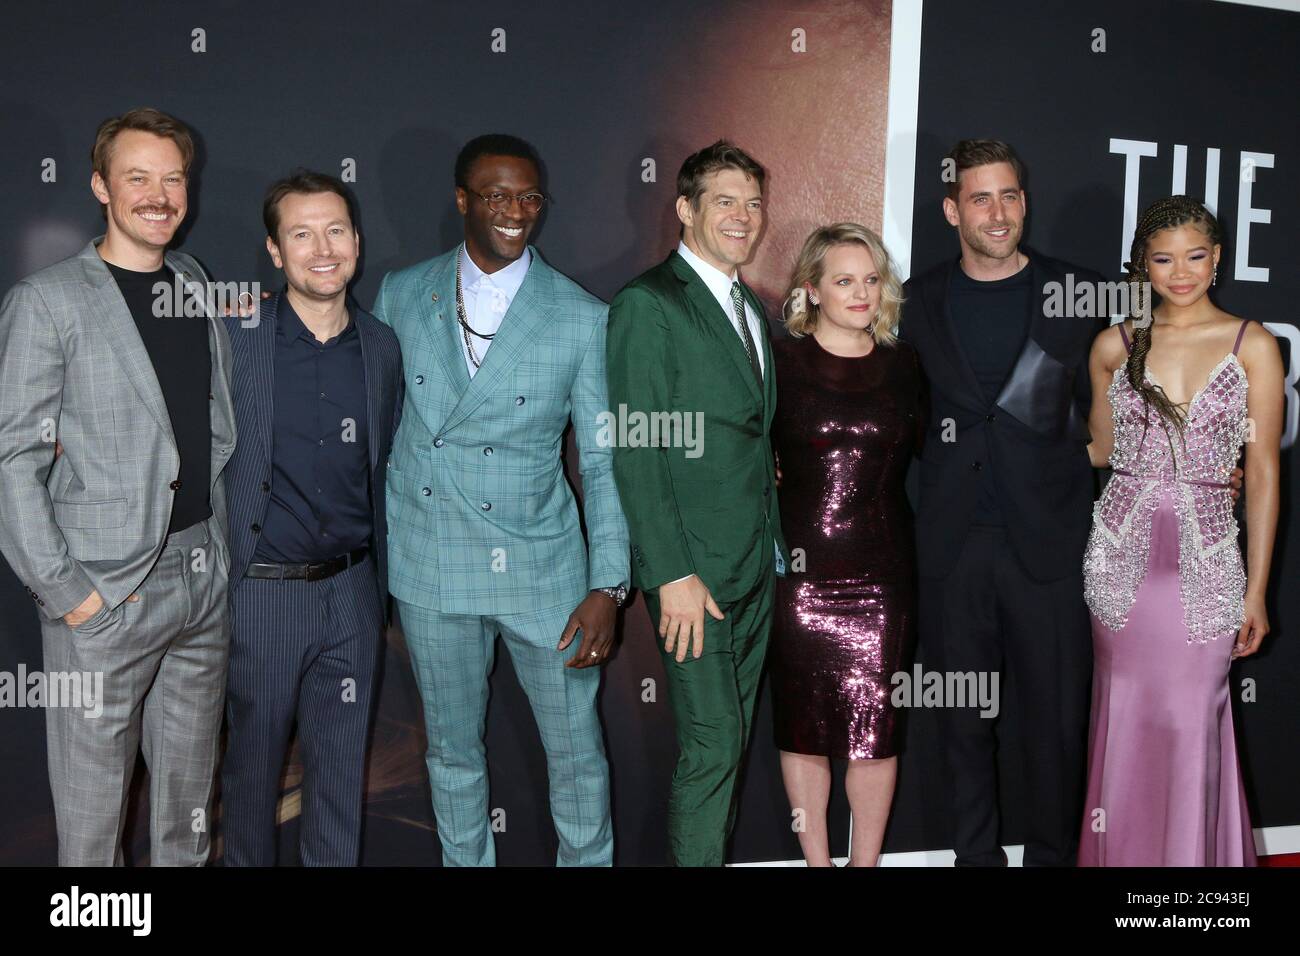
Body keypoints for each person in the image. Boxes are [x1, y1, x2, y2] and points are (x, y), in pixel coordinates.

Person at [373, 134, 629, 866]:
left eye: (528, 197)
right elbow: (378, 433)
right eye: (496, 195)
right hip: (432, 567)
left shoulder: (582, 316)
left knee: (577, 757)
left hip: (545, 575)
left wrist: (608, 584)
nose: (515, 211)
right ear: (462, 200)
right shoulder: (401, 292)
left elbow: (605, 462)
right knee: (452, 755)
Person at [0, 108, 235, 865]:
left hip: (202, 580)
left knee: (186, 819)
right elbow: (10, 462)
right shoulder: (48, 301)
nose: (160, 195)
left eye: (173, 179)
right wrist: (69, 594)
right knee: (94, 835)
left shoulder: (193, 281)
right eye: (138, 177)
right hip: (105, 595)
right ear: (101, 186)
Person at [898, 139, 1106, 866]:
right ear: (954, 209)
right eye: (981, 198)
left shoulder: (1080, 294)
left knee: (1055, 728)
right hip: (952, 550)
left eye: (1010, 195)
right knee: (961, 723)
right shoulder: (913, 302)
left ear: (1026, 202)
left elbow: (1121, 418)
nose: (998, 212)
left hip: (1050, 548)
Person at [1078, 196, 1280, 866]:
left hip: (1208, 563)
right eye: (1163, 259)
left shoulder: (1254, 344)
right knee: (1126, 723)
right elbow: (1101, 454)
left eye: (1196, 256)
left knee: (1194, 724)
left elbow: (1263, 475)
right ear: (1144, 265)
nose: (1181, 271)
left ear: (1217, 258)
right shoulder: (1114, 344)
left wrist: (1256, 592)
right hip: (1120, 565)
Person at [606, 140, 789, 867]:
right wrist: (670, 573)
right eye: (724, 201)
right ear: (684, 209)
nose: (743, 217)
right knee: (714, 747)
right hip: (695, 577)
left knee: (731, 745)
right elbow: (636, 448)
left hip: (753, 561)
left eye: (752, 202)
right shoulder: (648, 303)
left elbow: (742, 429)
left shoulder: (749, 306)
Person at [219, 171, 402, 865]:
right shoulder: (235, 338)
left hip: (353, 595)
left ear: (356, 240)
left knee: (338, 781)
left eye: (335, 231)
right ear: (274, 251)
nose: (321, 248)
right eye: (301, 234)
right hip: (260, 594)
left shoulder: (382, 346)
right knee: (250, 780)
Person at [770, 223, 923, 867]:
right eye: (843, 280)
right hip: (801, 577)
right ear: (811, 289)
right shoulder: (778, 361)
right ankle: (816, 863)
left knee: (874, 734)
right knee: (804, 731)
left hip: (884, 576)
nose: (861, 293)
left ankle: (865, 867)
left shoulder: (904, 364)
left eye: (870, 279)